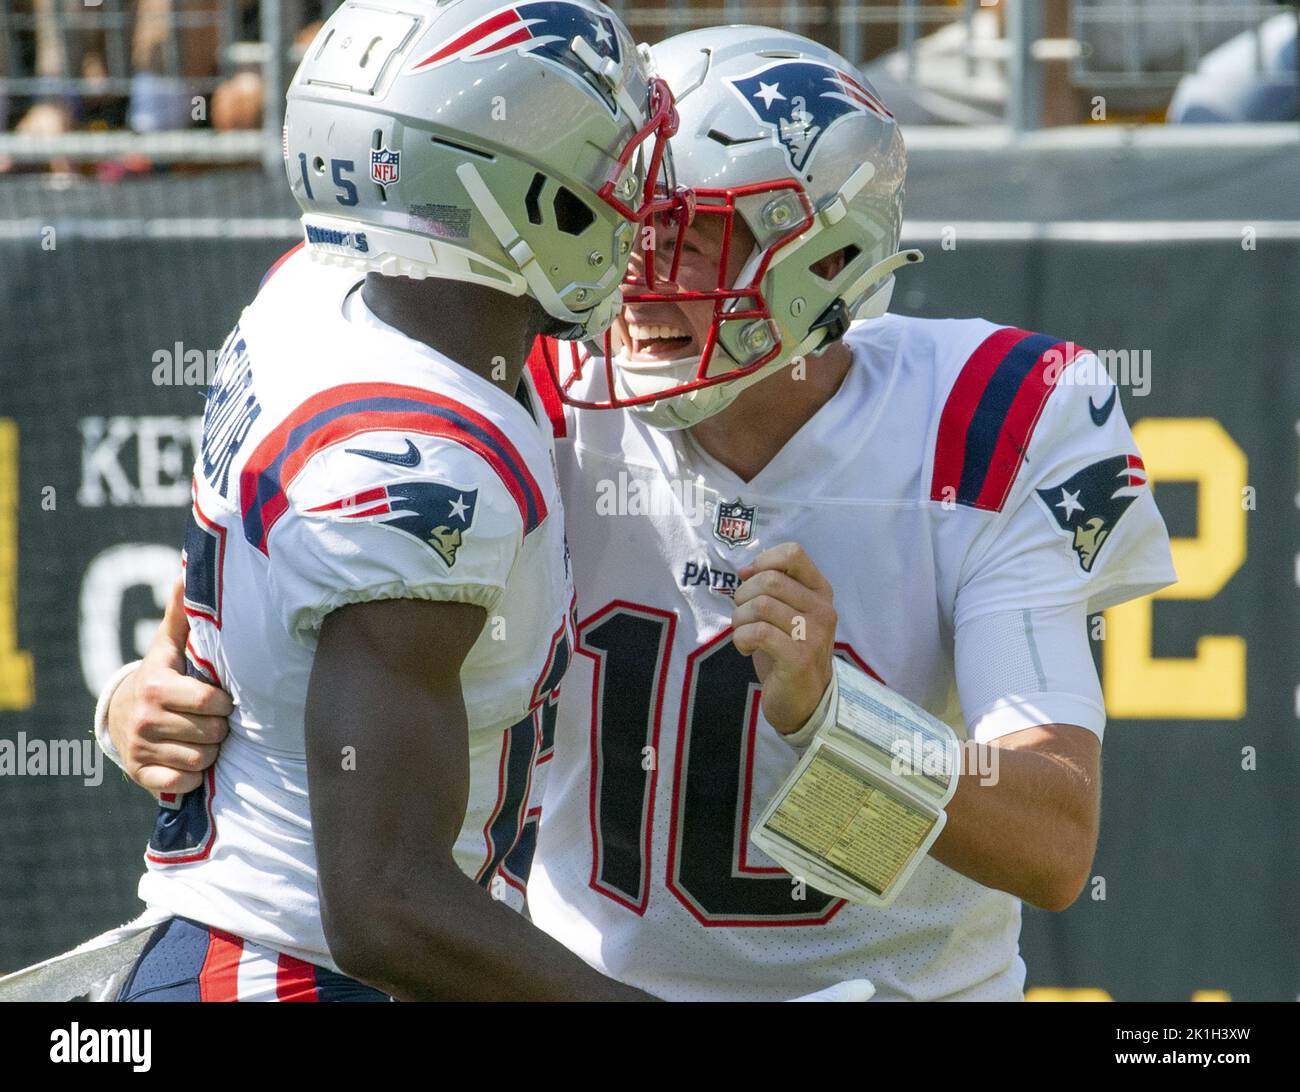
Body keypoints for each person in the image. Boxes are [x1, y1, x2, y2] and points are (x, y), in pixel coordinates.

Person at [95, 26, 1176, 1002]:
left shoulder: (992, 423)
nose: (642, 269)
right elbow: (276, 549)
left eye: (696, 235)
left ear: (827, 258)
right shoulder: (520, 381)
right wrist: (152, 685)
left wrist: (833, 719)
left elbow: (1050, 840)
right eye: (632, 219)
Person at [8, 0, 683, 1003]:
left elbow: (253, 564)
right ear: (511, 187)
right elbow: (385, 907)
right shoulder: (424, 465)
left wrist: (152, 679)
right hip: (296, 979)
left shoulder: (320, 291)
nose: (634, 202)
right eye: (605, 165)